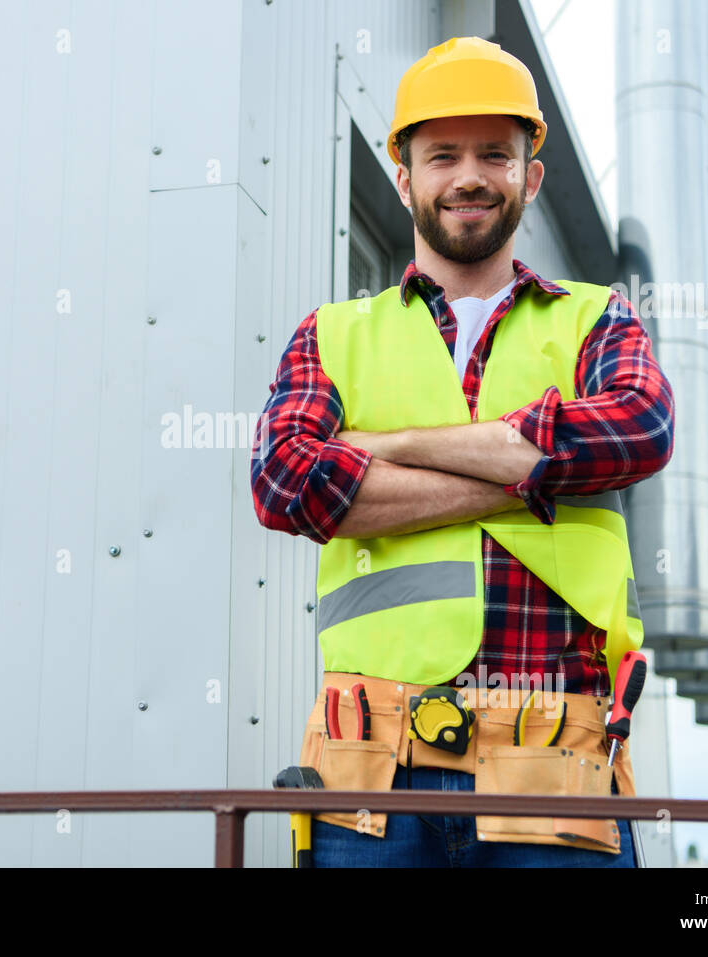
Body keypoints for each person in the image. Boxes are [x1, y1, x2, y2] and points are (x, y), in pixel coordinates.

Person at [250, 37, 675, 867]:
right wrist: (532, 470)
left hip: (555, 776)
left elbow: (638, 428)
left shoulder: (598, 318)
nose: (469, 175)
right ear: (405, 176)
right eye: (442, 154)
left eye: (495, 154)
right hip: (374, 779)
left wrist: (392, 447)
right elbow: (284, 482)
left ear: (531, 176)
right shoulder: (332, 334)